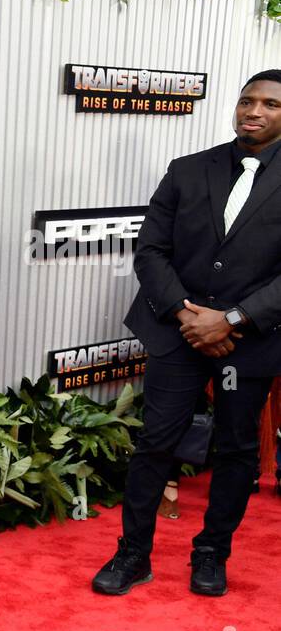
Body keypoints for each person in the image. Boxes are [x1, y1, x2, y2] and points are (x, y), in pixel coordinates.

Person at [93, 70, 281, 597]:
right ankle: (133, 554)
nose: (254, 111)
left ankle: (211, 554)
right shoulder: (188, 169)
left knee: (237, 449)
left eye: (270, 104)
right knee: (156, 442)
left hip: (252, 340)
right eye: (247, 100)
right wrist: (185, 314)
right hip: (179, 333)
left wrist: (234, 319)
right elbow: (151, 251)